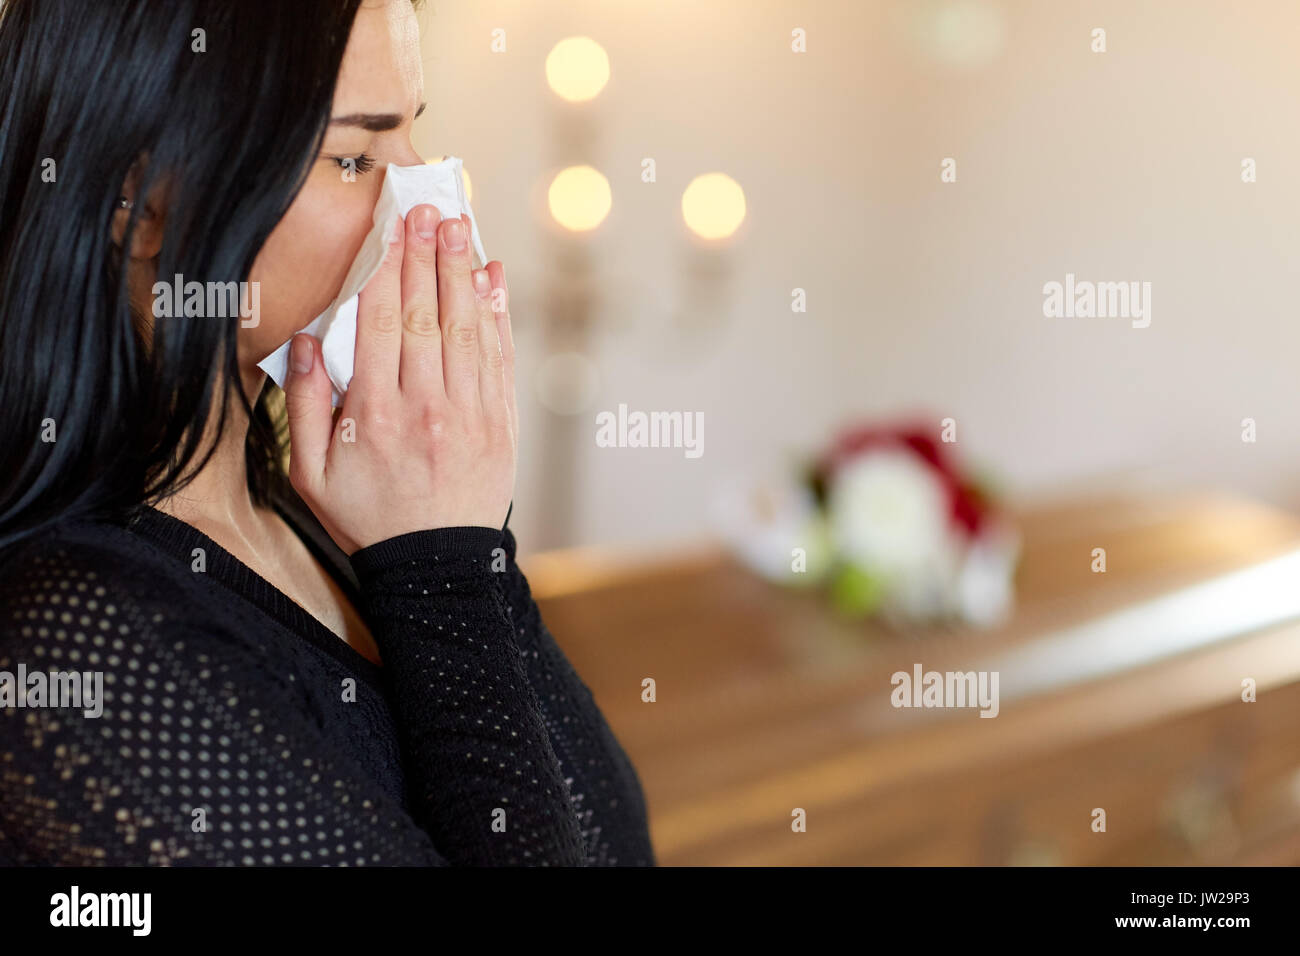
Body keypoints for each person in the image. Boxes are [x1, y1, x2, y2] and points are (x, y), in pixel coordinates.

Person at [0, 0, 654, 866]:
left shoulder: (340, 515)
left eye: (414, 140)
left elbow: (615, 842)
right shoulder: (72, 645)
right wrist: (446, 569)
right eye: (354, 156)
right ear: (143, 199)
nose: (437, 211)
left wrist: (459, 539)